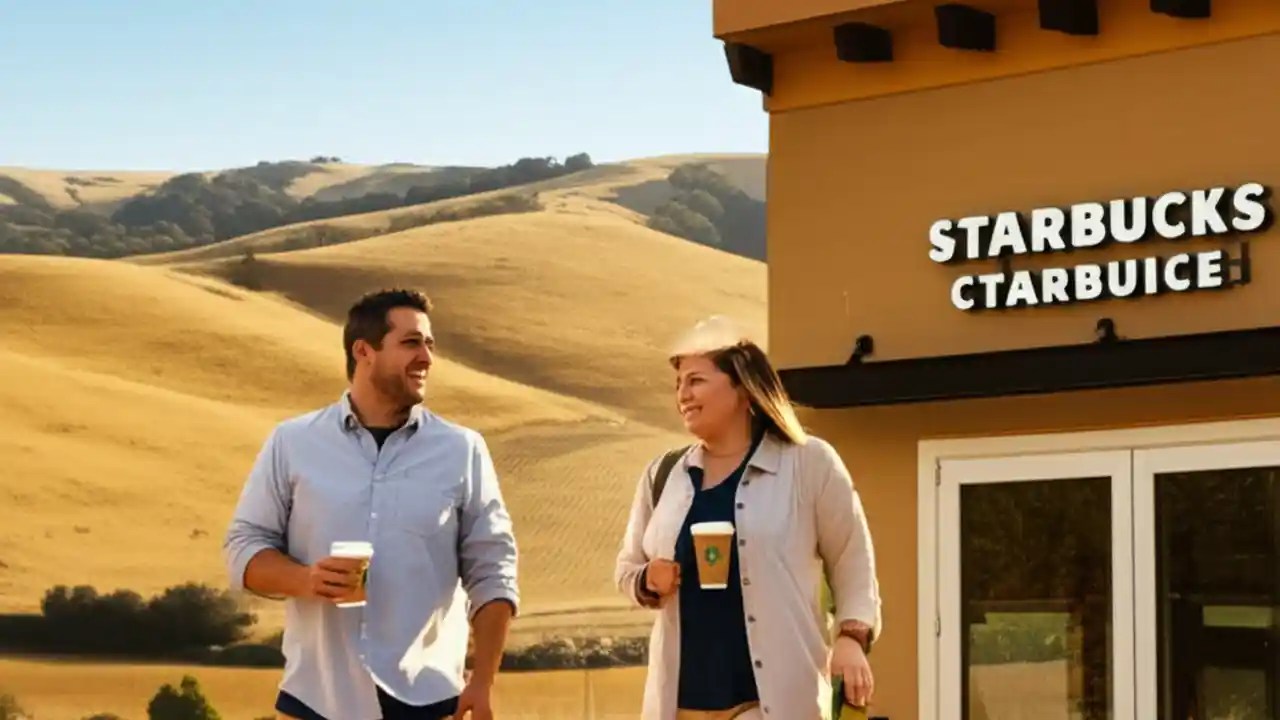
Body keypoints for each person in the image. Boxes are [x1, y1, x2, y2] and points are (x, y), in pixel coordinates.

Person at [223, 288, 520, 720]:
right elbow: (242, 549)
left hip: (431, 701)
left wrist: (483, 681)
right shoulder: (292, 442)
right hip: (317, 700)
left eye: (429, 344)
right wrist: (305, 579)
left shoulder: (463, 450)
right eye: (411, 343)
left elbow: (494, 569)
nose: (427, 358)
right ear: (363, 351)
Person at [614, 316, 882, 720]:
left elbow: (852, 557)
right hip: (678, 706)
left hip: (772, 704)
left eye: (696, 380)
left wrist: (851, 637)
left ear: (741, 386)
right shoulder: (663, 475)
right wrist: (647, 579)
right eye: (678, 384)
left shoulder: (808, 463)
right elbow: (626, 568)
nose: (682, 395)